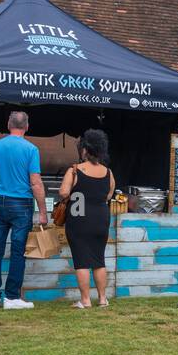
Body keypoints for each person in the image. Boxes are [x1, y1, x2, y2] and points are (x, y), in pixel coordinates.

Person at [0, 111, 46, 309]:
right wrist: (43, 211)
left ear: (8, 124)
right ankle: (11, 297)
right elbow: (35, 183)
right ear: (27, 126)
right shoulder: (31, 149)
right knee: (18, 252)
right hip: (21, 204)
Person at [58, 129, 114, 309]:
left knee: (81, 259)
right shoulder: (108, 172)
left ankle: (85, 300)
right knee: (99, 259)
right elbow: (108, 195)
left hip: (79, 215)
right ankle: (103, 299)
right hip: (101, 218)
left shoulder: (74, 170)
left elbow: (64, 192)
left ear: (85, 150)